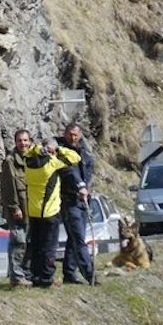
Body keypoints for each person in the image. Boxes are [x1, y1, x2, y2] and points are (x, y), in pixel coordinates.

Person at [22, 137, 81, 288]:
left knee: (36, 245)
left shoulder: (27, 162)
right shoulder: (52, 163)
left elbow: (30, 150)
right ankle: (47, 278)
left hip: (33, 210)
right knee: (49, 247)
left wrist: (39, 148)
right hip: (49, 211)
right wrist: (58, 149)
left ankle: (35, 276)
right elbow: (75, 158)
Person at [56, 122, 96, 285]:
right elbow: (69, 172)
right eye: (70, 134)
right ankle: (90, 275)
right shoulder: (61, 152)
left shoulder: (85, 153)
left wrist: (86, 188)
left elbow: (88, 173)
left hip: (83, 201)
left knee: (74, 239)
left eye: (75, 134)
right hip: (69, 200)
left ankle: (69, 273)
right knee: (79, 238)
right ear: (65, 134)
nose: (73, 137)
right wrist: (79, 186)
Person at [0, 129, 32, 287]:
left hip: (31, 209)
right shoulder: (10, 161)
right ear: (15, 142)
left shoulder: (32, 159)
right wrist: (14, 207)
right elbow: (7, 187)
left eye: (25, 140)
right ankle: (16, 277)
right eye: (20, 140)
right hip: (18, 211)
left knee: (29, 243)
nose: (23, 143)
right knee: (18, 243)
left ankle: (26, 274)